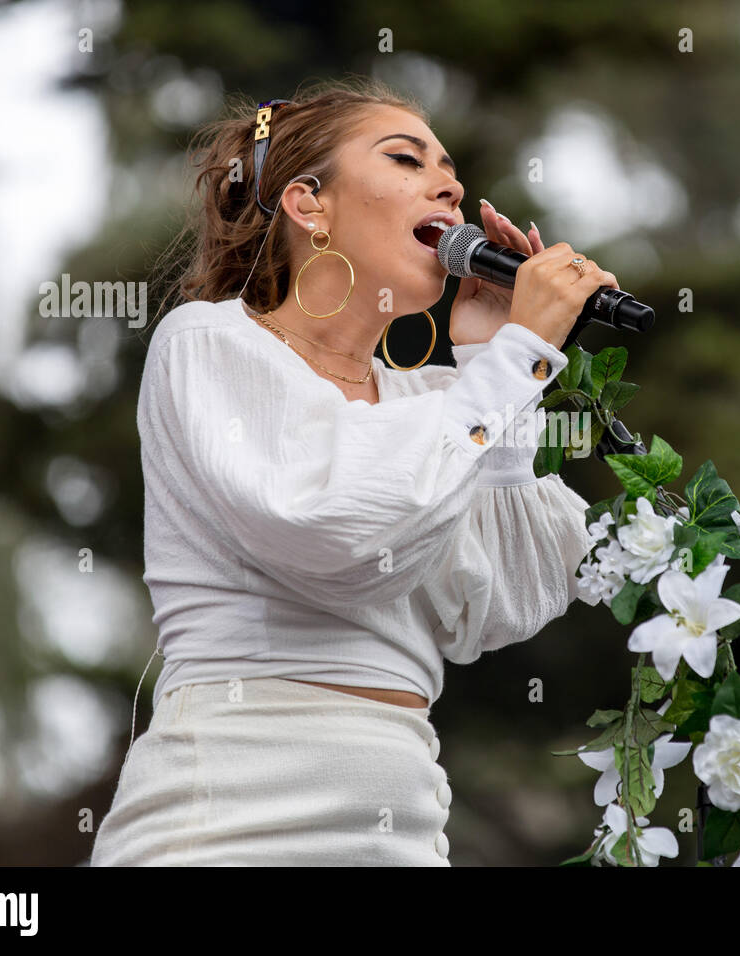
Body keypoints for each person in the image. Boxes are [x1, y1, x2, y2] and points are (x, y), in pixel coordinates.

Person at [89, 77, 619, 865]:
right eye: (406, 159)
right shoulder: (208, 345)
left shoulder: (436, 399)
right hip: (224, 830)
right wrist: (512, 363)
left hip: (397, 830)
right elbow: (335, 530)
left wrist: (485, 352)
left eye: (450, 169)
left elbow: (505, 600)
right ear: (310, 204)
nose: (451, 183)